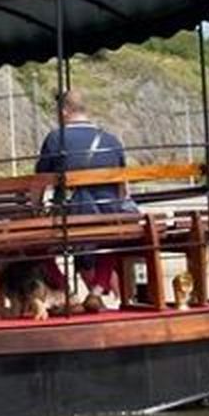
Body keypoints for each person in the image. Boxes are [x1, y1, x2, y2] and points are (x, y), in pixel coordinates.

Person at [33, 89, 134, 310]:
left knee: (35, 246)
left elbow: (39, 182)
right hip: (107, 217)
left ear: (64, 111)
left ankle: (69, 294)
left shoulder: (55, 139)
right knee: (112, 241)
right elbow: (123, 190)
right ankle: (97, 290)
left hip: (69, 217)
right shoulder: (112, 140)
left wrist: (36, 207)